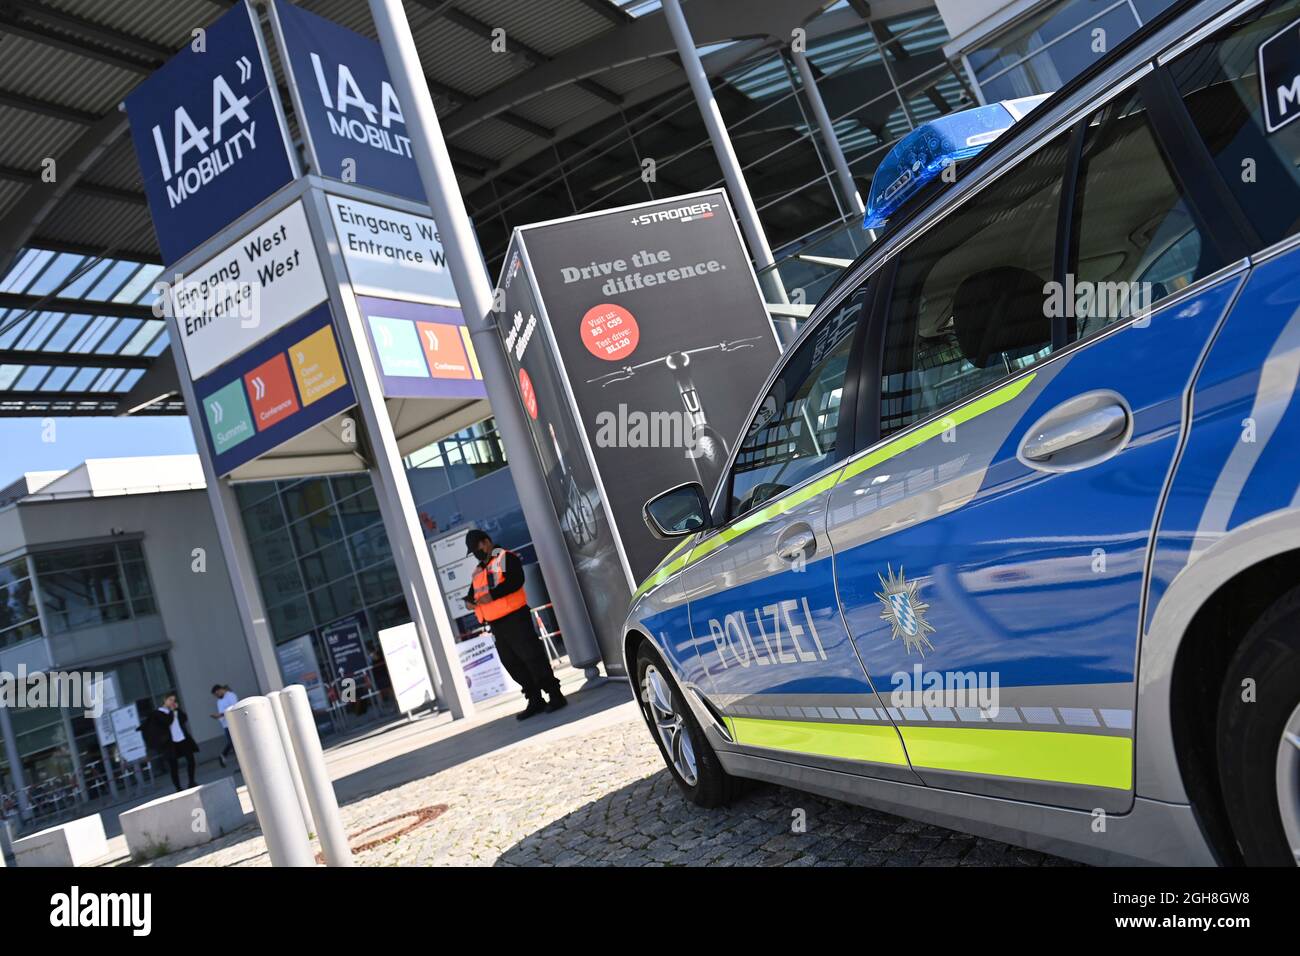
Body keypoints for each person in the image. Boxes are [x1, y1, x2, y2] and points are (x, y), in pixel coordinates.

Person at [463, 529, 565, 720]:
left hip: (515, 617)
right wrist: (468, 601)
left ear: (487, 542)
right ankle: (534, 698)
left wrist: (492, 595)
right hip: (496, 624)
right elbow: (471, 593)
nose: (477, 553)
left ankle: (555, 694)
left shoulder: (504, 557)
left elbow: (516, 581)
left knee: (532, 656)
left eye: (478, 548)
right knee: (511, 662)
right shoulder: (478, 570)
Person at [143, 694, 199, 792]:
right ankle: (178, 787)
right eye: (170, 700)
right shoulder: (159, 713)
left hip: (182, 738)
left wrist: (177, 710)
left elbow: (184, 719)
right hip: (170, 743)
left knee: (191, 760)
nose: (173, 702)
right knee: (174, 766)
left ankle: (191, 781)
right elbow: (167, 721)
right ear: (165, 700)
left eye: (174, 700)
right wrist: (172, 712)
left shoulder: (175, 711)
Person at [210, 684, 239, 768]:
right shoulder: (219, 701)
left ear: (220, 690)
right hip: (226, 724)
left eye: (217, 694)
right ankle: (226, 756)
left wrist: (220, 715)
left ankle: (223, 755)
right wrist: (219, 716)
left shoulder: (231, 696)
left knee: (234, 742)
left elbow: (234, 707)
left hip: (233, 723)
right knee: (233, 743)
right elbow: (222, 712)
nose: (217, 696)